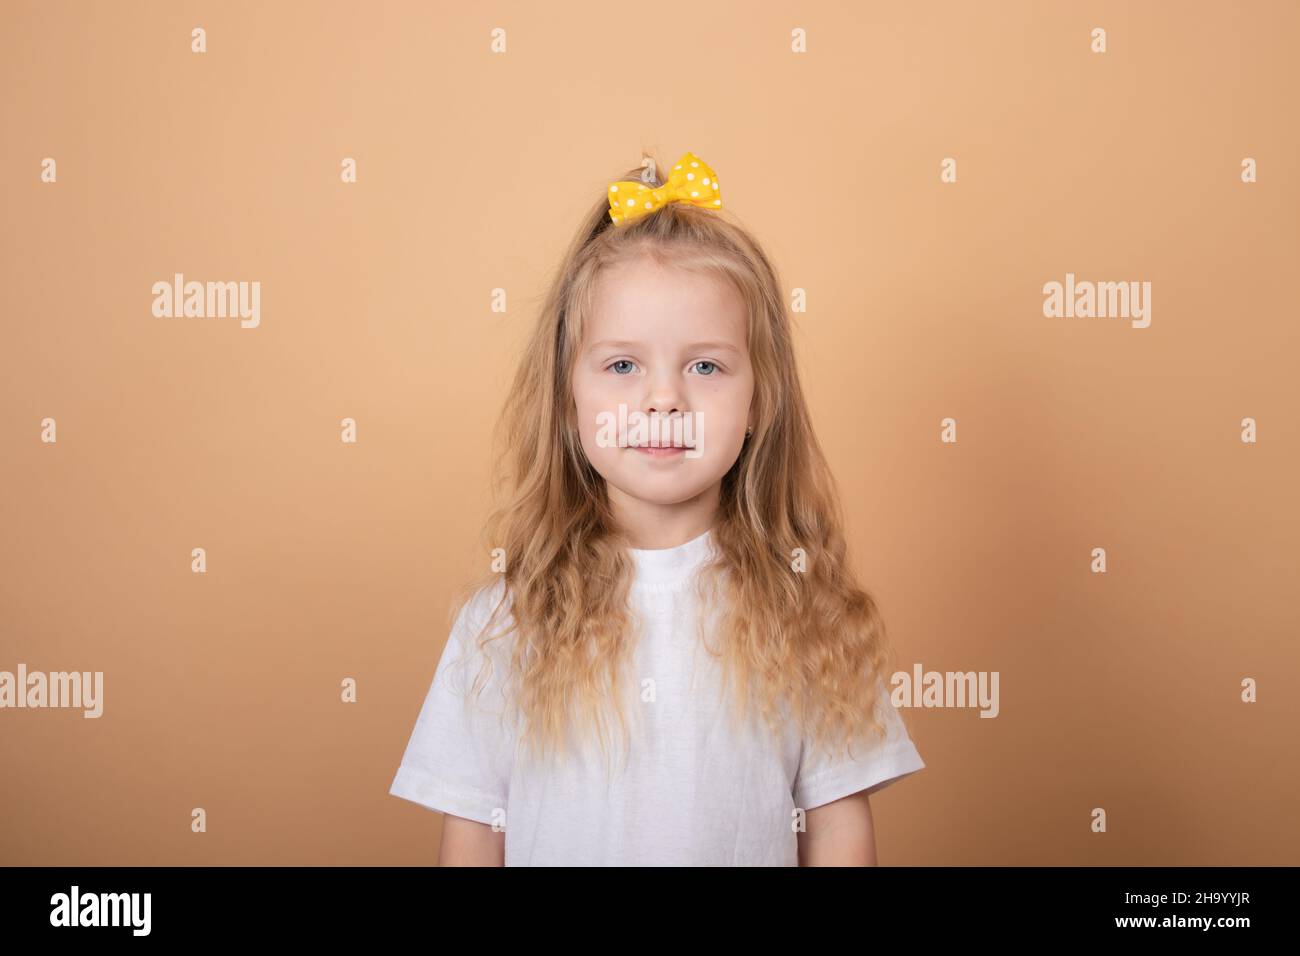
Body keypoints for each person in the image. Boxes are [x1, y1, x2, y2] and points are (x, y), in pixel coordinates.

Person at [389, 150, 924, 865]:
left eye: (705, 366)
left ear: (758, 399)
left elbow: (835, 830)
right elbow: (475, 833)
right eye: (622, 366)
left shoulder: (806, 612)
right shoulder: (502, 622)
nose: (664, 399)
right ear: (569, 399)